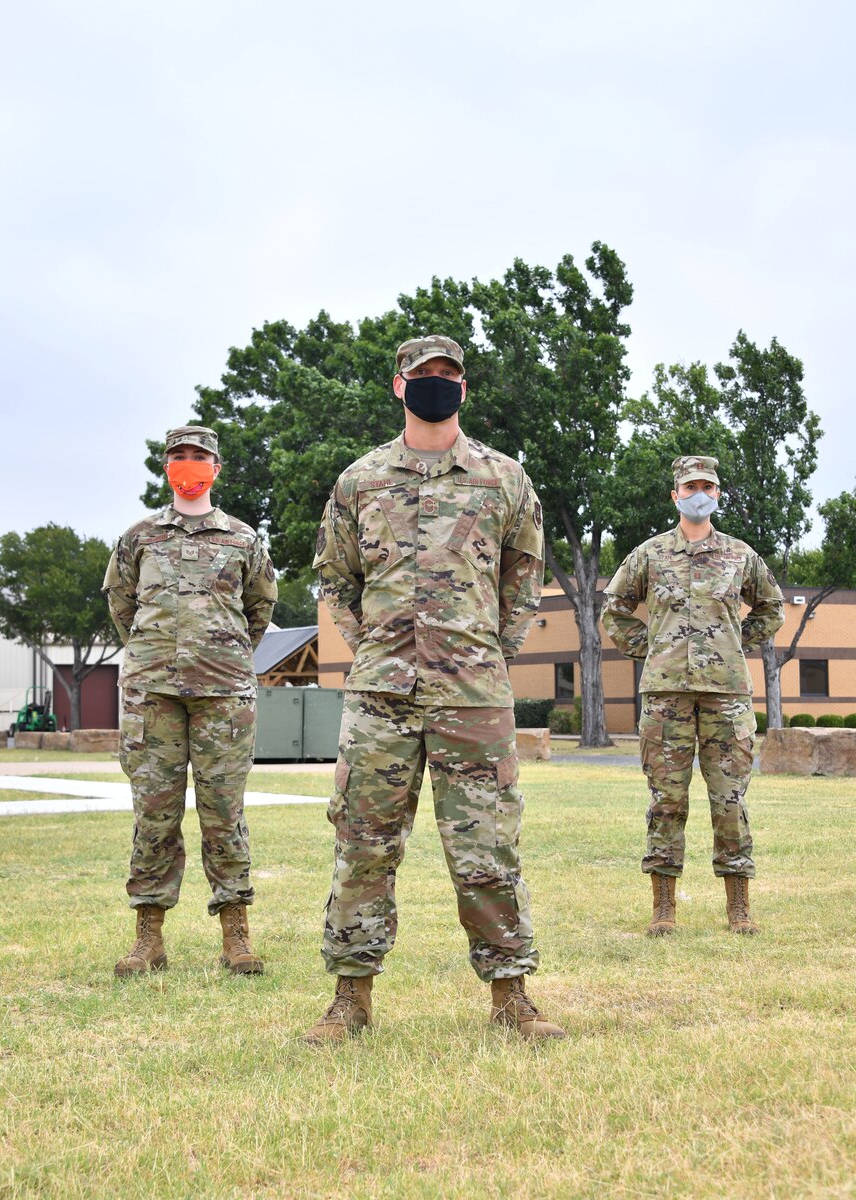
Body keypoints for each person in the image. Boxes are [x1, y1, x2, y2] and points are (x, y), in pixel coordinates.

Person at [305, 334, 565, 1042]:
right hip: (381, 696)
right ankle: (349, 998)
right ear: (398, 385)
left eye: (447, 375)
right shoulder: (359, 481)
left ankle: (511, 996)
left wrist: (488, 652)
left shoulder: (502, 477)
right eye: (422, 375)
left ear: (463, 386)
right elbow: (337, 578)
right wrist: (376, 651)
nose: (434, 384)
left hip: (472, 693)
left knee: (486, 846)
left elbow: (522, 577)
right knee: (363, 843)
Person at [103, 425, 278, 976]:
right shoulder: (139, 538)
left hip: (223, 694)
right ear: (166, 467)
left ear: (216, 467)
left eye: (198, 455)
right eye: (178, 455)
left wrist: (219, 656)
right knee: (153, 814)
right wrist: (157, 655)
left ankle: (236, 936)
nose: (188, 463)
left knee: (223, 814)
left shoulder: (244, 540)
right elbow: (122, 606)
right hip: (152, 693)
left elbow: (260, 609)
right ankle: (148, 937)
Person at [603, 456, 784, 936]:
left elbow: (771, 607)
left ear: (718, 494)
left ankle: (738, 907)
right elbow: (614, 609)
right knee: (666, 799)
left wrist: (731, 645)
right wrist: (653, 648)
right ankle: (664, 908)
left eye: (707, 486)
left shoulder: (741, 556)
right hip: (666, 696)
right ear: (675, 495)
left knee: (729, 800)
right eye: (690, 486)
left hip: (727, 695)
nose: (698, 494)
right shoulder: (649, 554)